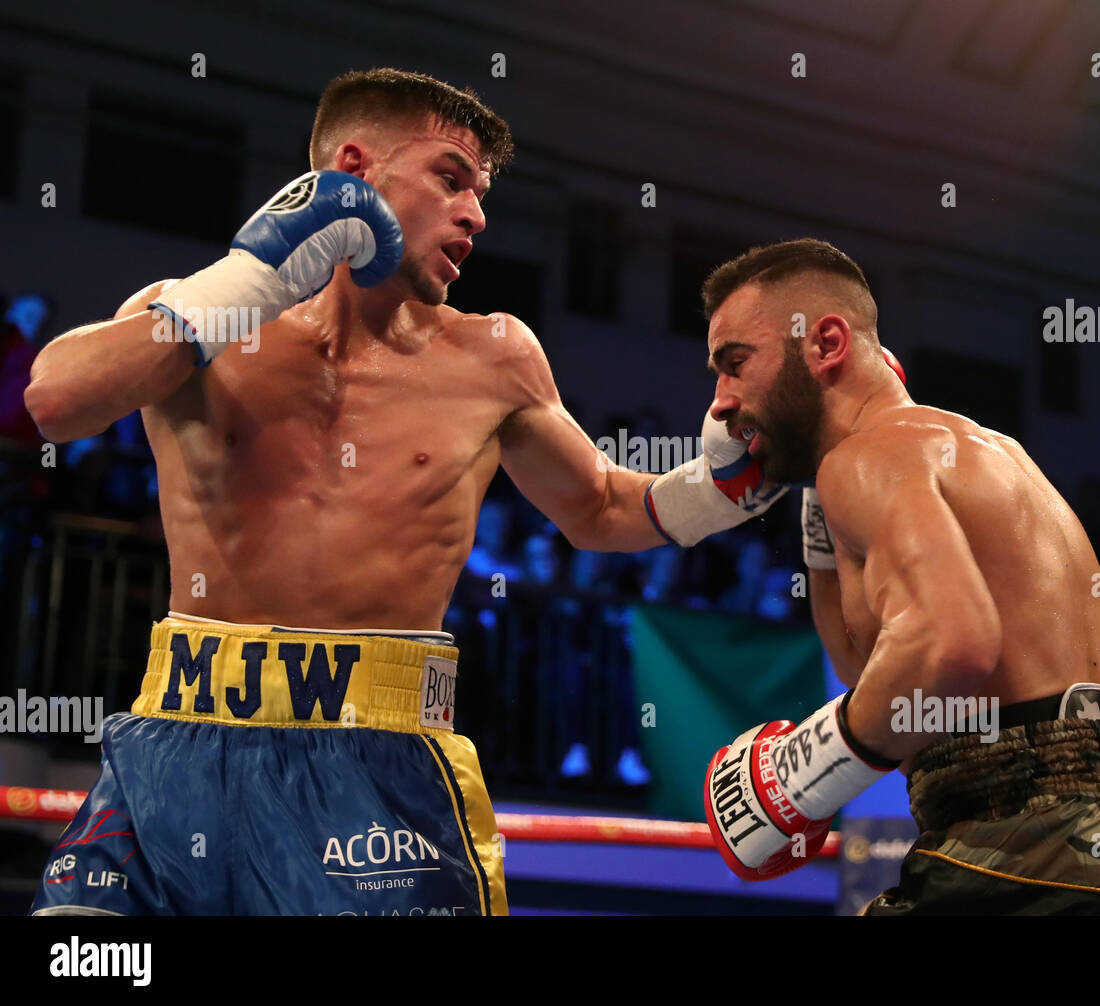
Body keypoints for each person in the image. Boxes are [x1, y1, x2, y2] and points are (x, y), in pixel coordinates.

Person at [24, 67, 782, 917]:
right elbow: (54, 401)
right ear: (352, 168)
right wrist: (247, 283)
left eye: (482, 194)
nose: (477, 215)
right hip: (174, 744)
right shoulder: (199, 319)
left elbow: (600, 505)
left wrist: (724, 488)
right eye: (450, 178)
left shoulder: (493, 356)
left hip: (379, 765)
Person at [701, 238, 1100, 914]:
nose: (720, 403)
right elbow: (873, 662)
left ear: (826, 343)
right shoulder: (988, 455)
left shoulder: (864, 461)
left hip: (1027, 851)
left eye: (734, 364)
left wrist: (797, 780)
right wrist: (815, 518)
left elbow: (949, 643)